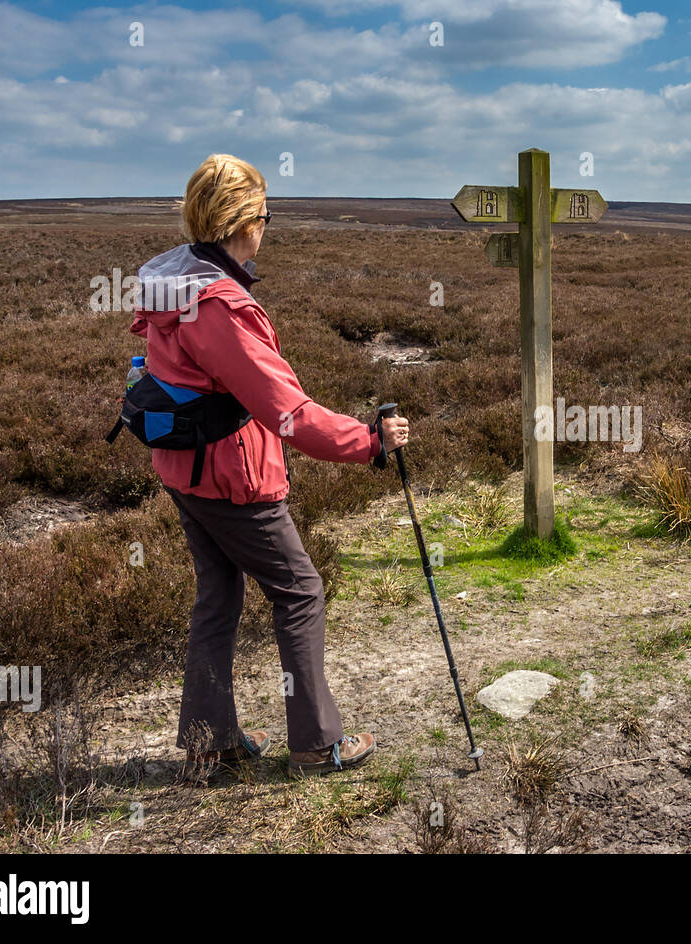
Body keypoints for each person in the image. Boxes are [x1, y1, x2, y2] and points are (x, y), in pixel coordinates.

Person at [129, 153, 408, 780]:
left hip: (185, 472)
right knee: (300, 590)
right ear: (241, 222)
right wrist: (369, 441)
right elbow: (288, 413)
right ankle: (315, 743)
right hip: (234, 479)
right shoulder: (218, 307)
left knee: (218, 595)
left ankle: (211, 744)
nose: (266, 229)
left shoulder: (174, 284)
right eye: (264, 217)